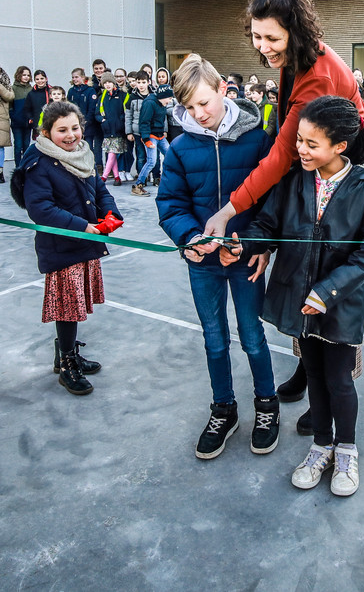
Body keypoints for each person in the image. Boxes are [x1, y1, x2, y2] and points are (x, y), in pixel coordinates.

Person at [200, 0, 364, 426]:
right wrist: (269, 238)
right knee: (303, 275)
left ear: (294, 31)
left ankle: (326, 399)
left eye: (272, 38)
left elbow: (283, 154)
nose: (263, 47)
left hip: (343, 183)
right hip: (314, 176)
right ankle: (305, 369)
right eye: (257, 36)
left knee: (328, 285)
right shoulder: (296, 55)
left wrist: (230, 209)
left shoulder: (316, 76)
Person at [238, 95, 364, 497]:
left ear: (339, 146)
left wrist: (327, 291)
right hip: (299, 298)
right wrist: (245, 244)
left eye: (311, 143)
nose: (300, 149)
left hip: (339, 303)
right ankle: (321, 445)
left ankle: (347, 451)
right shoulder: (294, 180)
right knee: (316, 375)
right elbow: (268, 224)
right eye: (299, 140)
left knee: (339, 378)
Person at [156, 55, 278, 459]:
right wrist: (190, 238)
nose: (199, 113)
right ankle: (224, 408)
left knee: (254, 338)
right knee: (214, 340)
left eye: (205, 102)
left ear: (224, 90)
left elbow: (269, 203)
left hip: (245, 259)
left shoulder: (258, 139)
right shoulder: (179, 148)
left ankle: (266, 406)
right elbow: (171, 203)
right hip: (202, 264)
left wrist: (256, 244)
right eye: (190, 107)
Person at [19, 98, 122, 395]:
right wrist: (82, 226)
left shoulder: (81, 155)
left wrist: (110, 213)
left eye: (75, 128)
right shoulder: (39, 162)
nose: (71, 135)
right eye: (62, 130)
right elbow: (40, 208)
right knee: (67, 308)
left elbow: (99, 189)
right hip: (62, 247)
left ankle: (67, 353)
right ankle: (67, 364)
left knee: (75, 307)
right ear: (47, 132)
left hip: (85, 243)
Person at [132, 82, 175, 194]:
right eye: (169, 98)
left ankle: (167, 179)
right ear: (163, 96)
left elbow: (162, 120)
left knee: (171, 155)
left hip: (160, 135)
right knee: (151, 161)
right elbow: (144, 122)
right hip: (151, 135)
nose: (170, 101)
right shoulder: (149, 103)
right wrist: (146, 139)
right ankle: (138, 185)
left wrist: (163, 131)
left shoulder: (162, 104)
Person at [95, 74, 126, 185]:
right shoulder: (102, 98)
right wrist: (102, 120)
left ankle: (104, 176)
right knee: (111, 154)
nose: (107, 85)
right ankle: (117, 177)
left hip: (118, 130)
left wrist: (121, 122)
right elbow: (97, 113)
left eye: (109, 82)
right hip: (107, 130)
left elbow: (125, 112)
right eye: (105, 83)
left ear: (113, 83)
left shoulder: (122, 95)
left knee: (112, 153)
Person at [24, 71, 59, 140]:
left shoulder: (52, 91)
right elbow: (27, 109)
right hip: (38, 125)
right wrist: (31, 119)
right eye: (37, 79)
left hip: (52, 124)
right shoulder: (31, 94)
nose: (40, 81)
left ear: (46, 79)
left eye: (42, 78)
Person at [10, 66, 33, 163]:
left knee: (26, 145)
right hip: (17, 122)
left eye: (28, 75)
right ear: (19, 75)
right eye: (24, 75)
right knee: (18, 145)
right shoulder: (13, 88)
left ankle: (25, 165)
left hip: (28, 122)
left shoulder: (31, 89)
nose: (26, 77)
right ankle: (18, 167)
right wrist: (13, 116)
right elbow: (10, 105)